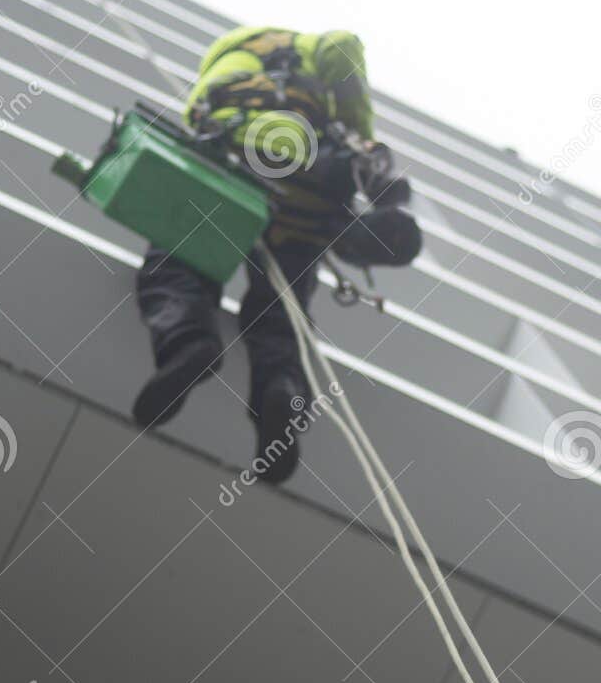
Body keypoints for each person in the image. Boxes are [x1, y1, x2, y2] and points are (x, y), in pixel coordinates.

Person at [133, 27, 421, 484]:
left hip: (235, 161)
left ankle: (187, 341)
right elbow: (343, 47)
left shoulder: (225, 63)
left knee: (177, 264)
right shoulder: (299, 47)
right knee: (283, 310)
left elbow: (199, 119)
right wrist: (366, 145)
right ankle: (281, 386)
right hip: (306, 183)